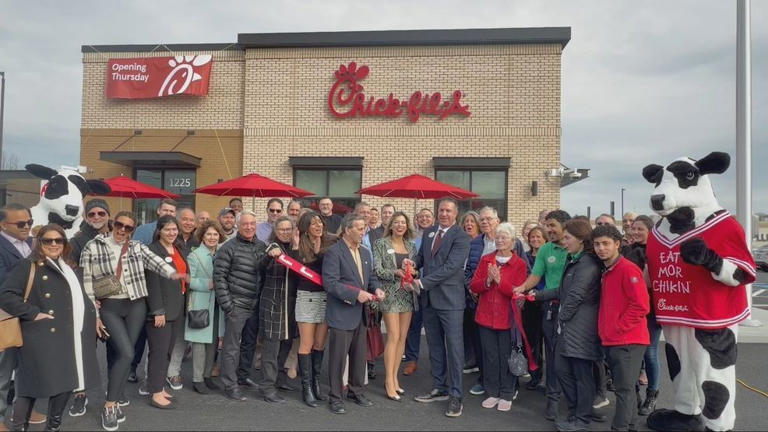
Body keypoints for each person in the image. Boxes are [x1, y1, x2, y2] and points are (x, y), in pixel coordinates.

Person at [80, 210, 184, 431]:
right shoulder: (93, 247)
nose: (123, 230)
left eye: (129, 228)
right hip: (110, 306)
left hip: (136, 304)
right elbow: (87, 285)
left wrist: (176, 274)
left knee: (123, 353)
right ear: (112, 224)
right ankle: (109, 405)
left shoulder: (137, 247)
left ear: (133, 230)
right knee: (127, 352)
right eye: (120, 225)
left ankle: (115, 397)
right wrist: (95, 315)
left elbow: (157, 263)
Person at [0, 224, 98, 432]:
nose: (54, 244)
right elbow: (6, 295)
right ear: (39, 243)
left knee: (65, 384)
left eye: (58, 240)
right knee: (29, 387)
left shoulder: (68, 266)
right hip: (39, 335)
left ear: (64, 243)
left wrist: (93, 313)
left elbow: (77, 298)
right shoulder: (27, 265)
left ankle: (53, 427)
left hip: (69, 336)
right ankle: (19, 428)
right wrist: (33, 313)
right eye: (48, 240)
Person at [532, 218, 601, 432]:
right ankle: (575, 413)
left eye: (568, 238)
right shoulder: (574, 260)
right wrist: (538, 295)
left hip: (579, 327)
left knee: (581, 374)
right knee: (562, 369)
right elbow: (563, 291)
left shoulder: (587, 263)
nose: (564, 242)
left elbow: (575, 296)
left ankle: (582, 419)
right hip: (569, 326)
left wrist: (561, 319)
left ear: (580, 240)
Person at [410, 199, 471, 418]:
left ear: (456, 214)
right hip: (429, 301)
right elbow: (422, 257)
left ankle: (456, 395)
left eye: (448, 211)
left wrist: (423, 282)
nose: (444, 213)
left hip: (451, 301)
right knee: (434, 346)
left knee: (454, 349)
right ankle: (440, 387)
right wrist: (412, 265)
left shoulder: (462, 237)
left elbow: (450, 267)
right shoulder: (429, 232)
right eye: (441, 210)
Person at [323, 214, 385, 414]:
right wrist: (356, 294)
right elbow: (330, 283)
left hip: (361, 315)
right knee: (338, 359)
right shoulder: (334, 252)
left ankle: (356, 391)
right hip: (342, 313)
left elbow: (371, 277)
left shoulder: (365, 253)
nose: (363, 231)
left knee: (359, 357)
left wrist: (377, 289)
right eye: (359, 228)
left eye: (364, 227)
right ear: (347, 229)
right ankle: (335, 397)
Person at [513, 210, 572, 421]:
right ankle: (553, 400)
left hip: (575, 311)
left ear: (566, 225)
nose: (548, 229)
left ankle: (579, 401)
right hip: (550, 308)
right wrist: (521, 287)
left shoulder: (579, 248)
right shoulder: (546, 249)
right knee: (553, 356)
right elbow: (535, 275)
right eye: (547, 225)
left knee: (576, 357)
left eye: (552, 225)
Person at [463, 207, 525, 396]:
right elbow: (472, 279)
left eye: (489, 219)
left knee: (505, 353)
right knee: (487, 353)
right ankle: (488, 386)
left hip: (507, 314)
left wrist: (499, 281)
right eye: (482, 219)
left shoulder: (518, 255)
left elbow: (520, 283)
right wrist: (484, 283)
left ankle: (508, 389)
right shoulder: (478, 249)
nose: (485, 222)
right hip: (482, 309)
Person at [594, 224, 650, 432]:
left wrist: (618, 328)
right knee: (626, 390)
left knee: (624, 390)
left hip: (628, 341)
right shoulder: (609, 270)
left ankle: (619, 428)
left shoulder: (627, 269)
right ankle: (631, 426)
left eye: (606, 244)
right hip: (615, 339)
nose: (601, 248)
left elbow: (641, 306)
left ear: (617, 244)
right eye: (597, 244)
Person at [213, 210, 267, 401]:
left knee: (249, 345)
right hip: (237, 305)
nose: (249, 227)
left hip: (255, 305)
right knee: (231, 347)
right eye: (245, 224)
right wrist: (229, 305)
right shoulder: (228, 248)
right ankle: (230, 384)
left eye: (252, 223)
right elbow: (219, 278)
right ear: (238, 225)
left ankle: (243, 376)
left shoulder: (262, 246)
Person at [0, 204, 46, 428]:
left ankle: (24, 409)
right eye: (20, 224)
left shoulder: (30, 244)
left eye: (29, 222)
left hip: (30, 318)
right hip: (6, 317)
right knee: (3, 372)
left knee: (27, 368)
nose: (27, 226)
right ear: (3, 225)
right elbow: (4, 286)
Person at [142, 216, 189, 410]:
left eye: (174, 229)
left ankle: (160, 388)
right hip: (160, 311)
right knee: (158, 352)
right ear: (159, 230)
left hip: (176, 308)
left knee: (168, 351)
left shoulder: (177, 249)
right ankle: (155, 392)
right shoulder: (153, 251)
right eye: (168, 229)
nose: (172, 233)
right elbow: (152, 284)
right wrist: (157, 311)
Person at [372, 211, 418, 401]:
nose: (400, 225)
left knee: (402, 339)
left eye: (403, 223)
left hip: (407, 294)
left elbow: (416, 270)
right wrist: (396, 272)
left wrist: (412, 270)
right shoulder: (381, 244)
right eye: (396, 222)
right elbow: (377, 269)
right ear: (390, 225)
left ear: (407, 226)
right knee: (393, 336)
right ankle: (388, 381)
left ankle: (395, 378)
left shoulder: (411, 246)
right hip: (390, 295)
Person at [293, 211, 336, 407]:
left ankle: (316, 384)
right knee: (307, 343)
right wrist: (297, 247)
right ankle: (306, 388)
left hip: (326, 298)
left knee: (319, 344)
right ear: (306, 227)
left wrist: (321, 251)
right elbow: (296, 269)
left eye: (320, 222)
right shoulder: (299, 244)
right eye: (313, 223)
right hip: (307, 298)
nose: (318, 225)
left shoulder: (330, 243)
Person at [185, 220, 227, 395]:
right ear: (202, 236)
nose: (212, 237)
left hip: (219, 304)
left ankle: (207, 375)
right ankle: (197, 379)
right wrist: (206, 284)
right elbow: (188, 280)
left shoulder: (223, 253)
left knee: (213, 342)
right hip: (201, 303)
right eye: (208, 234)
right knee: (200, 343)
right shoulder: (194, 256)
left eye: (215, 234)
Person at [259, 216, 298, 403]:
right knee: (271, 347)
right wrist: (269, 256)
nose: (285, 232)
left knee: (286, 344)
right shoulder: (269, 247)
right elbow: (259, 266)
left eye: (288, 229)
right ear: (275, 231)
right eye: (281, 229)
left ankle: (279, 379)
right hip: (274, 304)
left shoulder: (295, 249)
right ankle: (267, 386)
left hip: (291, 305)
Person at [624, 215, 660, 415]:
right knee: (633, 353)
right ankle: (634, 393)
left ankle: (652, 395)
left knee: (650, 352)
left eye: (640, 229)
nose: (635, 232)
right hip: (630, 309)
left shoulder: (656, 252)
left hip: (652, 310)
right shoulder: (627, 251)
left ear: (650, 231)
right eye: (634, 228)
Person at [402, 207, 435, 376]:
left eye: (427, 216)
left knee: (432, 327)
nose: (424, 219)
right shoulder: (410, 238)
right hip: (413, 287)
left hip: (431, 286)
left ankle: (435, 362)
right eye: (421, 217)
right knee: (413, 326)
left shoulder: (437, 236)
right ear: (416, 219)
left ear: (433, 219)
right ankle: (411, 359)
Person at [522, 225, 547, 391]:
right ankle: (535, 375)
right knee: (531, 342)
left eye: (539, 236)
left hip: (545, 302)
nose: (535, 240)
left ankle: (550, 379)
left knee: (547, 343)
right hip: (528, 305)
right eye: (532, 237)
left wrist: (538, 291)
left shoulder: (548, 255)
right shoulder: (524, 256)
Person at [71, 199, 112, 268]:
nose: (96, 217)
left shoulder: (119, 235)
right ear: (86, 218)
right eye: (91, 215)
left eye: (101, 213)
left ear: (108, 216)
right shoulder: (76, 241)